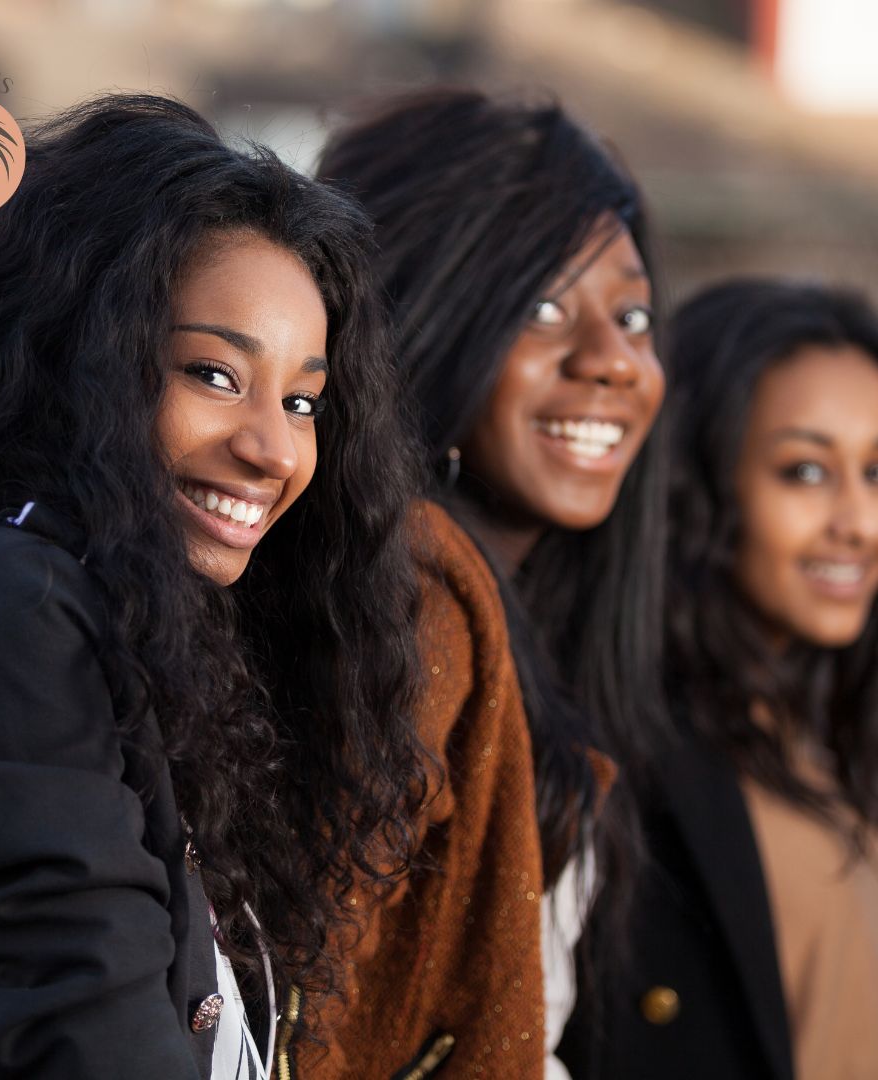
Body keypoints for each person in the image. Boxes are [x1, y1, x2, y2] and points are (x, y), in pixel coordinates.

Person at [0, 93, 428, 1080]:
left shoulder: (126, 624)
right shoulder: (3, 606)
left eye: (304, 398)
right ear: (78, 359)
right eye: (215, 375)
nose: (273, 447)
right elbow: (91, 1028)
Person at [293, 87, 669, 1080]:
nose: (614, 363)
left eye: (633, 315)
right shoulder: (417, 601)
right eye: (544, 305)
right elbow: (301, 1009)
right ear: (424, 316)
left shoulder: (501, 610)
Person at [561, 279, 878, 1080]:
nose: (858, 522)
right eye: (805, 472)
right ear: (701, 485)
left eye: (876, 473)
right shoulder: (622, 761)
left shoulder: (843, 733)